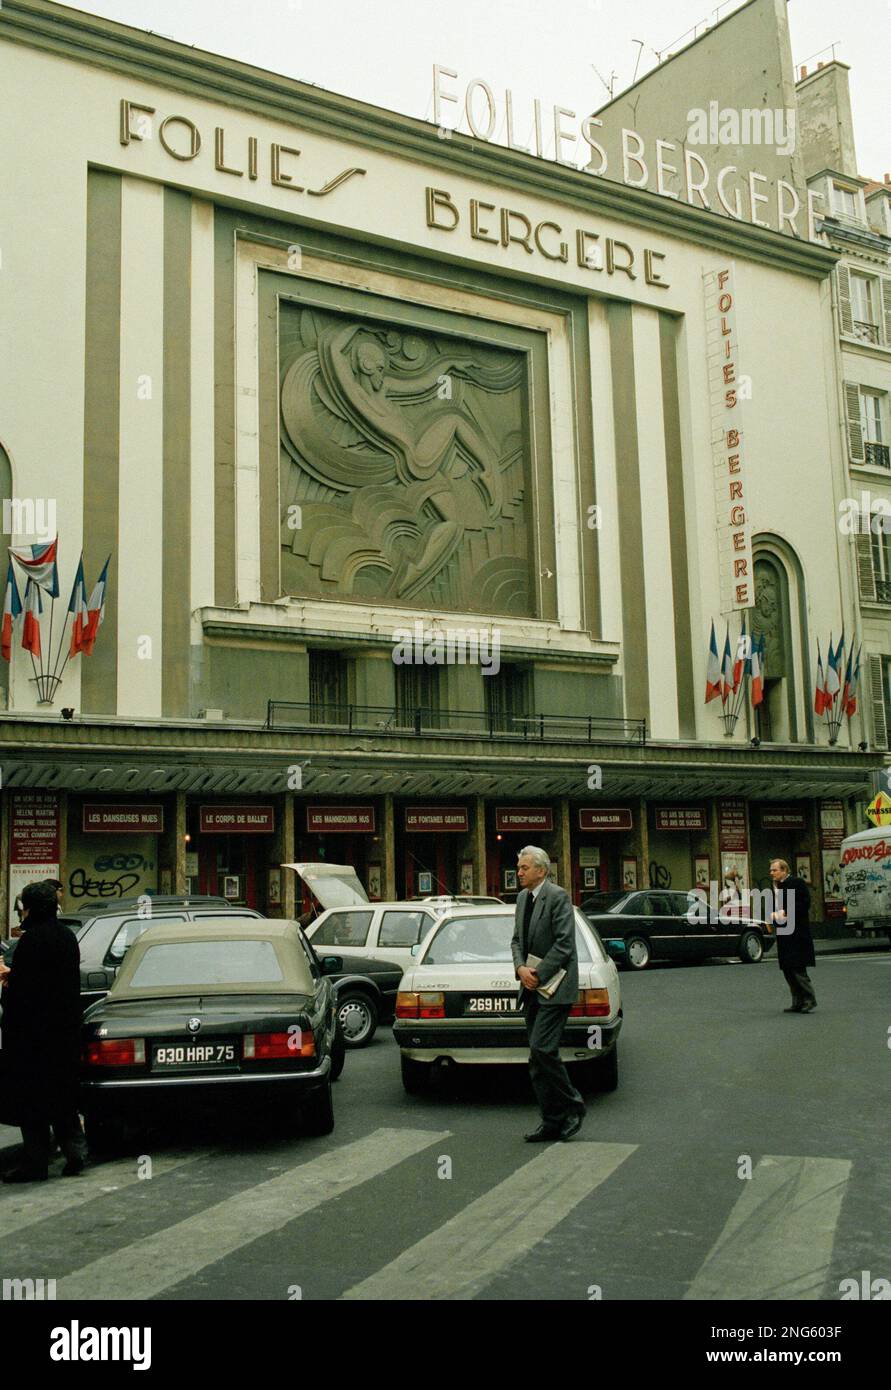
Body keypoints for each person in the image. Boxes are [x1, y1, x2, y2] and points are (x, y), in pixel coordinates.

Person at [0, 880, 86, 1182]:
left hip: (34, 1036)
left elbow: (26, 993)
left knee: (32, 1101)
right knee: (63, 1096)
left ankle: (35, 1163)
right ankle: (75, 1152)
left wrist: (9, 985)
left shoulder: (32, 941)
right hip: (64, 1031)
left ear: (30, 908)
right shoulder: (66, 936)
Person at [510, 845, 583, 1143]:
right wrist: (520, 969)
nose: (519, 873)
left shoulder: (557, 896)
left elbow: (565, 944)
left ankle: (573, 1105)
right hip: (530, 987)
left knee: (542, 1049)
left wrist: (538, 973)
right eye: (518, 868)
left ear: (542, 870)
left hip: (555, 987)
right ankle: (551, 1121)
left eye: (524, 868)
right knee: (536, 1058)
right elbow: (516, 941)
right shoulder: (521, 899)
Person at [769, 858, 816, 1013]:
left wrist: (787, 912)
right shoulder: (777, 886)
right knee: (788, 969)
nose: (771, 873)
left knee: (797, 968)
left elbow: (805, 903)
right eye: (771, 870)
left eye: (774, 870)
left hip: (797, 933)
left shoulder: (797, 883)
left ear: (784, 870)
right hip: (784, 932)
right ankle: (797, 1001)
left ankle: (809, 1000)